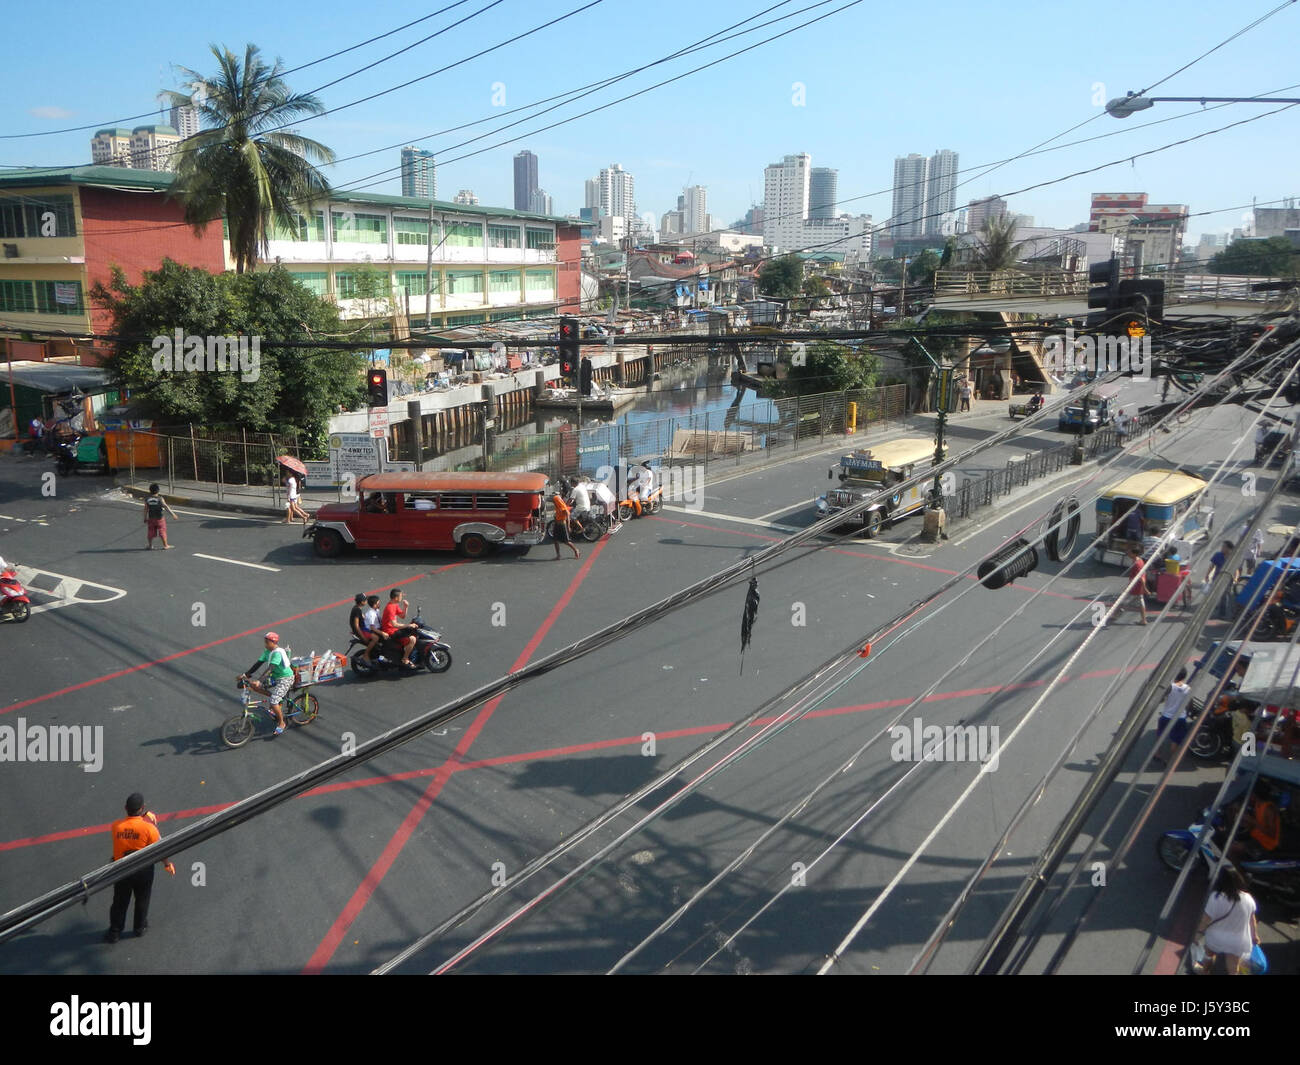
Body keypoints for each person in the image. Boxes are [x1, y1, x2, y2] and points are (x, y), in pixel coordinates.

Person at [104, 792, 175, 943]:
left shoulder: (116, 826)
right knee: (142, 898)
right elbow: (160, 849)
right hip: (143, 869)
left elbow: (132, 828)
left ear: (125, 808)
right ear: (142, 808)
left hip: (121, 869)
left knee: (119, 901)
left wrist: (142, 815)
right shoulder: (149, 829)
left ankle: (114, 932)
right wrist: (167, 864)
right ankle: (139, 927)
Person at [1194, 865, 1259, 975]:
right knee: (1233, 967)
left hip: (1216, 938)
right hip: (1238, 941)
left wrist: (1198, 935)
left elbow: (1205, 920)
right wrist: (1254, 936)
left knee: (1209, 955)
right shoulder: (1248, 898)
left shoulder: (1216, 897)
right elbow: (1252, 920)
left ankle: (1205, 971)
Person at [239, 632, 293, 734]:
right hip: (275, 676)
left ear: (273, 642)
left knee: (273, 702)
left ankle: (281, 722)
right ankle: (278, 698)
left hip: (285, 678)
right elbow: (258, 664)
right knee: (254, 687)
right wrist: (246, 675)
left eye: (267, 642)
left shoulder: (277, 653)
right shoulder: (267, 651)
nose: (265, 644)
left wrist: (259, 681)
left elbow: (270, 668)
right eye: (265, 642)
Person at [1153, 668, 1193, 765]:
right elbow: (1189, 703)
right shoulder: (1188, 689)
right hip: (1180, 718)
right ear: (1184, 676)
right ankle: (1170, 761)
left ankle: (1158, 754)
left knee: (1160, 735)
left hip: (1166, 716)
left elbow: (1161, 700)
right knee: (1176, 739)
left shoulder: (1170, 687)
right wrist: (1187, 713)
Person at [380, 589, 419, 667]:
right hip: (390, 631)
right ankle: (405, 659)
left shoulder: (394, 605)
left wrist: (406, 607)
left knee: (411, 632)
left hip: (394, 629)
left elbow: (402, 616)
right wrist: (408, 625)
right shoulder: (390, 608)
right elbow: (394, 624)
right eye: (401, 596)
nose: (402, 597)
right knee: (412, 639)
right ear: (396, 598)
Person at [1206, 541, 1239, 621]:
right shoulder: (1218, 555)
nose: (1222, 548)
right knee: (1213, 596)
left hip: (1228, 580)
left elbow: (1236, 570)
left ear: (1228, 549)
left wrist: (1235, 578)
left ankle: (1222, 614)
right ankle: (1213, 612)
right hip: (1217, 579)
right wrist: (1207, 575)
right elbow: (1212, 566)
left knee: (1224, 597)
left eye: (1223, 547)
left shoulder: (1233, 557)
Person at [1120, 546, 1150, 625]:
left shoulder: (1137, 564)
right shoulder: (1138, 560)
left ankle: (1114, 614)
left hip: (1136, 586)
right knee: (1140, 602)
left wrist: (1145, 589)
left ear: (1134, 554)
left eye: (1130, 553)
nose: (1128, 554)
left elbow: (1141, 577)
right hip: (1136, 585)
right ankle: (1143, 620)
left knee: (1123, 600)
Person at [144, 483, 177, 550]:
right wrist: (173, 514)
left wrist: (145, 518)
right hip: (160, 518)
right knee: (162, 530)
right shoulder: (160, 499)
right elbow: (165, 506)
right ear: (158, 491)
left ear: (150, 491)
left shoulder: (147, 499)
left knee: (150, 531)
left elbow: (146, 509)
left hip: (151, 518)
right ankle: (165, 545)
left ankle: (150, 545)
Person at [349, 593, 379, 663]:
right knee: (376, 638)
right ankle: (366, 655)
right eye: (365, 600)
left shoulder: (357, 608)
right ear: (362, 602)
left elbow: (362, 617)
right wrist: (363, 637)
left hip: (363, 628)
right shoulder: (357, 610)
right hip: (361, 630)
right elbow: (356, 625)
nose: (366, 601)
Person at [551, 491, 581, 560]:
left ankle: (576, 550)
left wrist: (568, 526)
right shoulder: (558, 502)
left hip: (562, 524)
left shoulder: (558, 502)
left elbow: (567, 514)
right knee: (555, 540)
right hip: (557, 523)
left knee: (566, 541)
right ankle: (558, 555)